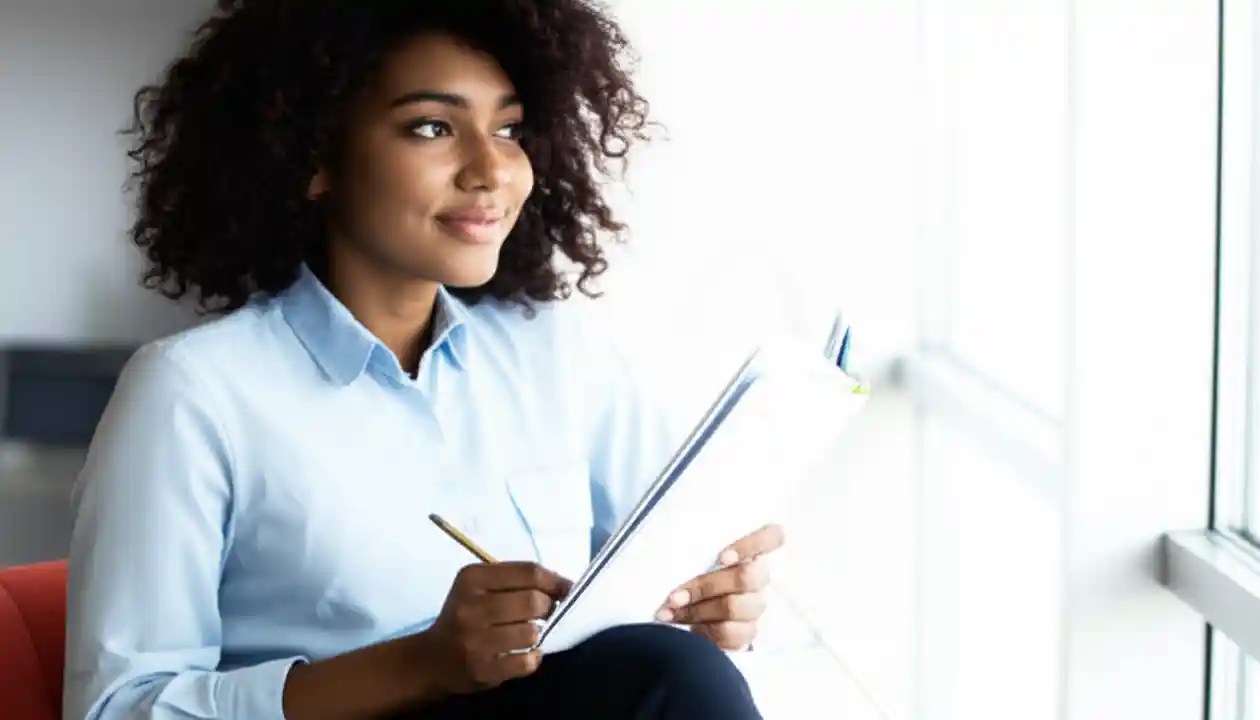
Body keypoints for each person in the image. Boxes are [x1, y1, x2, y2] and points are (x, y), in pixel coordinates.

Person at [63, 1, 784, 718]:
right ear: (314, 156)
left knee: (673, 664)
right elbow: (118, 709)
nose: (491, 169)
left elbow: (653, 600)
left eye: (507, 129)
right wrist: (416, 665)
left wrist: (707, 601)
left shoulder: (559, 354)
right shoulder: (194, 391)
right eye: (432, 127)